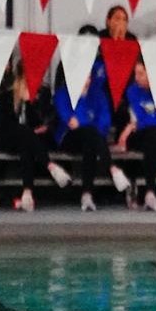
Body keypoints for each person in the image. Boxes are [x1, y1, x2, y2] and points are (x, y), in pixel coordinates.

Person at [0, 58, 67, 211]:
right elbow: (4, 124)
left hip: (34, 140)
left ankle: (27, 193)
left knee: (26, 145)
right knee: (24, 133)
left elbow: (49, 118)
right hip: (11, 138)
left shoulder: (43, 92)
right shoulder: (7, 94)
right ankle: (50, 165)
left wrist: (40, 120)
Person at [53, 35, 115, 212]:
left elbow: (105, 121)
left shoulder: (97, 94)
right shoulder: (63, 94)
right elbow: (72, 123)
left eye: (88, 77)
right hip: (69, 140)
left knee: (91, 140)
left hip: (91, 140)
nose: (86, 81)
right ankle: (111, 167)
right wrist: (80, 98)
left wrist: (88, 124)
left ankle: (87, 194)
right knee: (90, 133)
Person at [113, 60, 156, 210]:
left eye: (141, 74)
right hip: (141, 135)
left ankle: (150, 192)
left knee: (152, 137)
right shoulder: (133, 91)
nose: (136, 78)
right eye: (135, 73)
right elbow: (143, 119)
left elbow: (154, 122)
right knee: (151, 135)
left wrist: (136, 124)